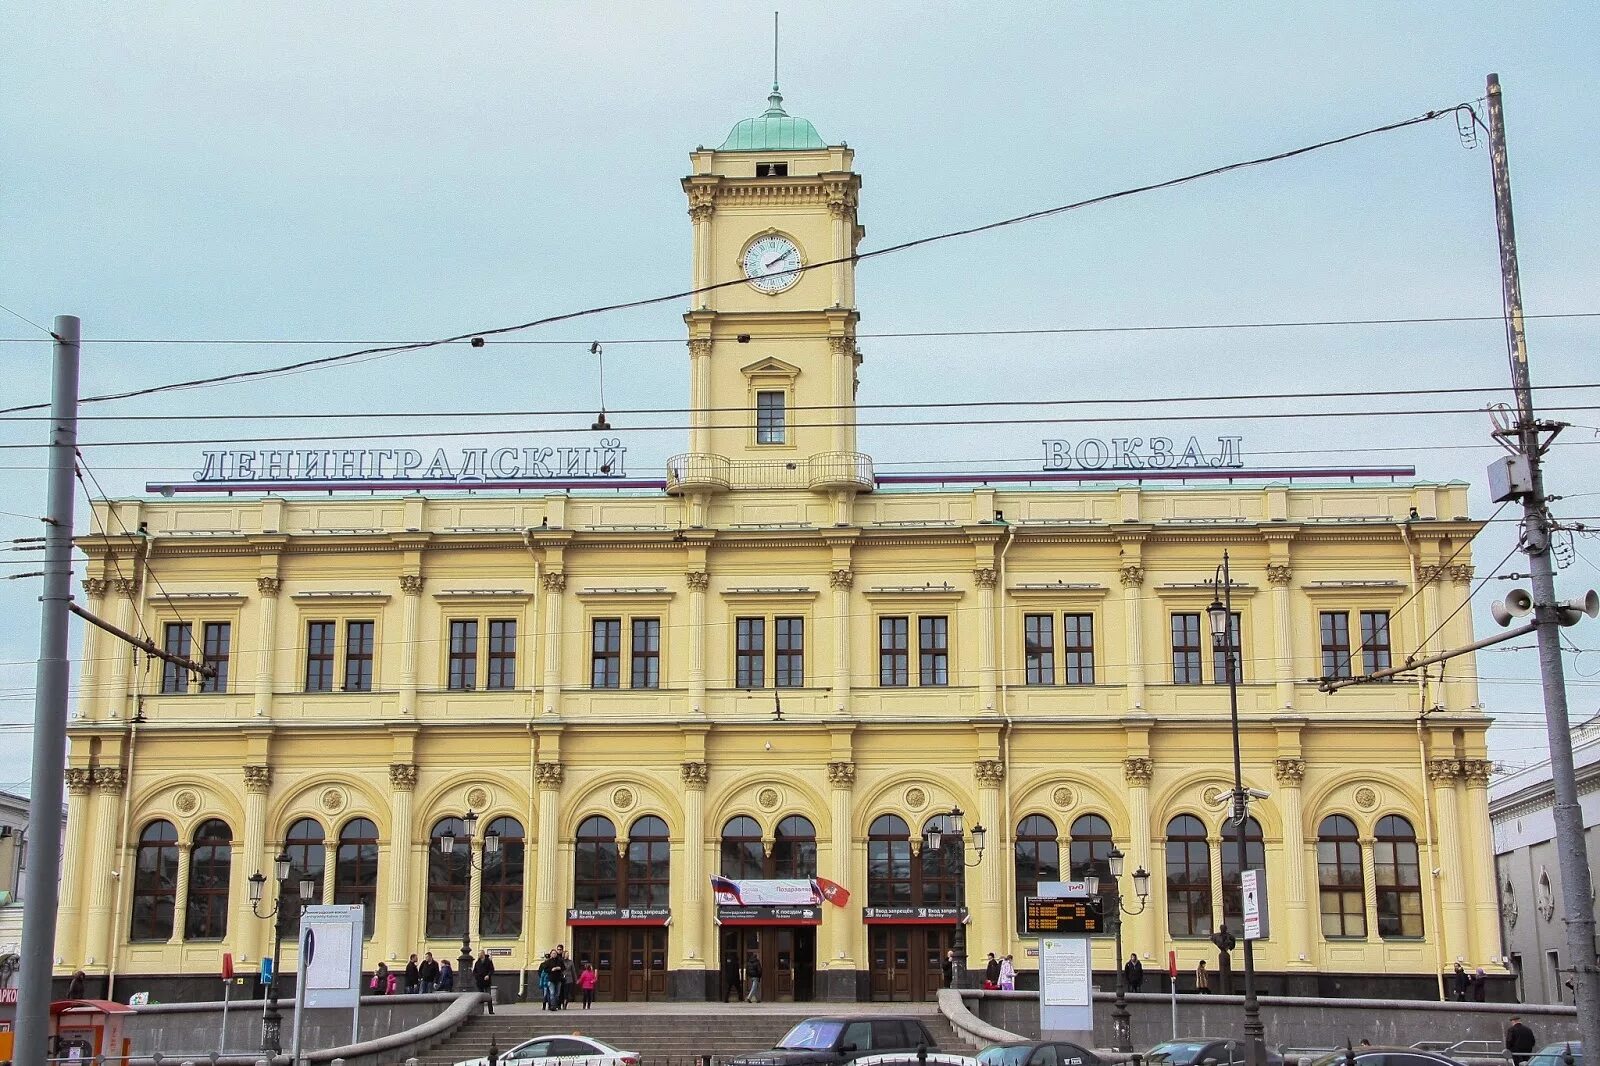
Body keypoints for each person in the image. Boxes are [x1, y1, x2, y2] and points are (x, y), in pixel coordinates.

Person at [473, 949, 496, 1014]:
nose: (478, 955)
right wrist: (476, 977)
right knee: (480, 997)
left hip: (487, 982)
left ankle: (490, 1010)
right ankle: (481, 1010)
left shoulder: (488, 961)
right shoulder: (477, 962)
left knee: (488, 996)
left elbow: (492, 970)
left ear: (482, 954)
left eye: (479, 954)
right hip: (479, 982)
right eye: (478, 954)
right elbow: (474, 971)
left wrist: (488, 975)